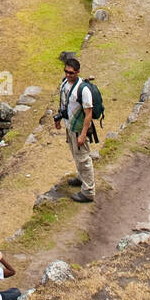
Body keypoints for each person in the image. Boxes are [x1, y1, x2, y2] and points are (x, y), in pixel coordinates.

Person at [54, 56, 95, 202]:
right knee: (75, 153)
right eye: (66, 71)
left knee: (83, 158)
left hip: (78, 128)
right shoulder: (65, 83)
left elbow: (88, 113)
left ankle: (88, 191)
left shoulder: (83, 90)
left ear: (77, 72)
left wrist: (83, 134)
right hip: (69, 126)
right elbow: (64, 103)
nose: (68, 75)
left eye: (71, 73)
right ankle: (80, 177)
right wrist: (59, 119)